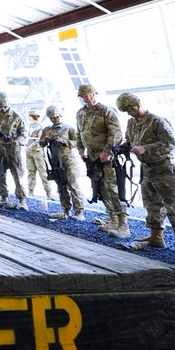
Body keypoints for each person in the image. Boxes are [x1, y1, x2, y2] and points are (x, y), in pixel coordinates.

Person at [117, 93, 175, 256]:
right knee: (152, 204)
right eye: (126, 111)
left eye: (129, 109)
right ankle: (156, 236)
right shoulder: (132, 123)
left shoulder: (157, 121)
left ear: (136, 105)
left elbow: (170, 143)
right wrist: (123, 147)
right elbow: (130, 141)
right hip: (146, 169)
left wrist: (146, 148)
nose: (128, 113)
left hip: (164, 169)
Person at [76, 84, 128, 237]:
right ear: (81, 98)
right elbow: (79, 133)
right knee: (101, 189)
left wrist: (108, 151)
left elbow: (116, 133)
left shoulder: (106, 111)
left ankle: (123, 225)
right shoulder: (80, 113)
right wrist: (80, 150)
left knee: (114, 189)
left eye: (90, 95)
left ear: (95, 94)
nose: (88, 98)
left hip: (108, 158)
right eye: (85, 96)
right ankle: (112, 220)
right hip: (92, 158)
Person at [39, 106, 87, 221]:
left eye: (56, 117)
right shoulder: (46, 129)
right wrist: (45, 141)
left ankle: (79, 212)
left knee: (73, 185)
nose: (54, 119)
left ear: (60, 115)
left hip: (69, 160)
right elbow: (41, 143)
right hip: (55, 160)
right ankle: (66, 210)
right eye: (52, 118)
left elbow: (78, 143)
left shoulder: (68, 128)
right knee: (61, 186)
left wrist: (64, 141)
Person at [0, 92, 27, 209]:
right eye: (0, 106)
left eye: (5, 106)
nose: (3, 108)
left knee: (18, 175)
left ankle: (22, 200)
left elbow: (24, 134)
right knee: (0, 174)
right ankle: (3, 198)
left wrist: (16, 141)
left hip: (13, 150)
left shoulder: (16, 116)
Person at [24, 110, 54, 199]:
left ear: (31, 116)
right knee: (31, 172)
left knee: (43, 173)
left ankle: (49, 193)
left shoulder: (40, 127)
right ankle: (30, 192)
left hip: (37, 152)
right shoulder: (29, 126)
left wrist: (29, 148)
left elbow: (39, 141)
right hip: (29, 153)